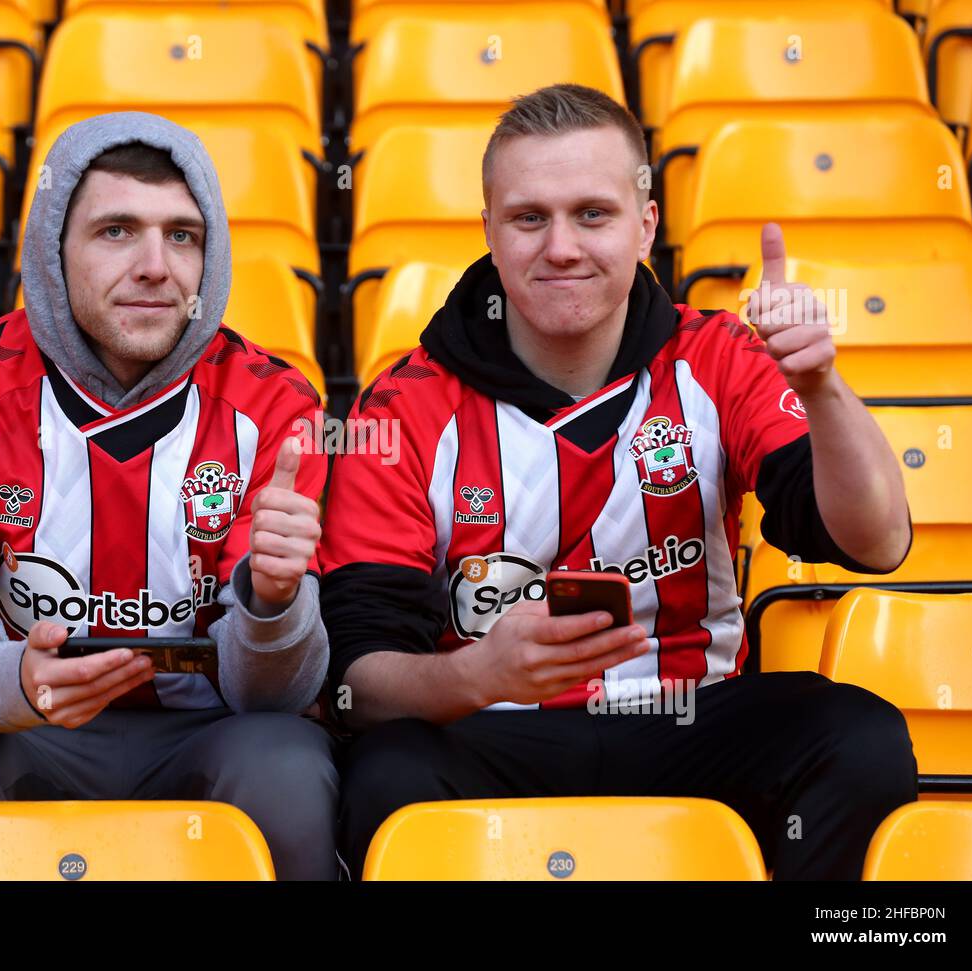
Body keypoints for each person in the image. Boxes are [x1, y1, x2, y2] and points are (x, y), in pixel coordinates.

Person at [320, 83, 917, 880]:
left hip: (691, 720)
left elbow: (874, 543)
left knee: (858, 736)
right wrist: (478, 673)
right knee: (384, 773)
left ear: (646, 227)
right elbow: (357, 678)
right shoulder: (403, 405)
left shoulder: (719, 358)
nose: (560, 246)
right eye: (530, 217)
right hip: (491, 727)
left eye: (592, 214)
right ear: (490, 233)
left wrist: (824, 390)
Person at [0, 112, 339, 881]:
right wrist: (17, 679)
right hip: (19, 725)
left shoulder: (277, 406)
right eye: (117, 231)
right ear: (54, 251)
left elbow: (278, 692)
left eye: (183, 235)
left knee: (285, 768)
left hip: (210, 731)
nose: (157, 266)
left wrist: (275, 602)